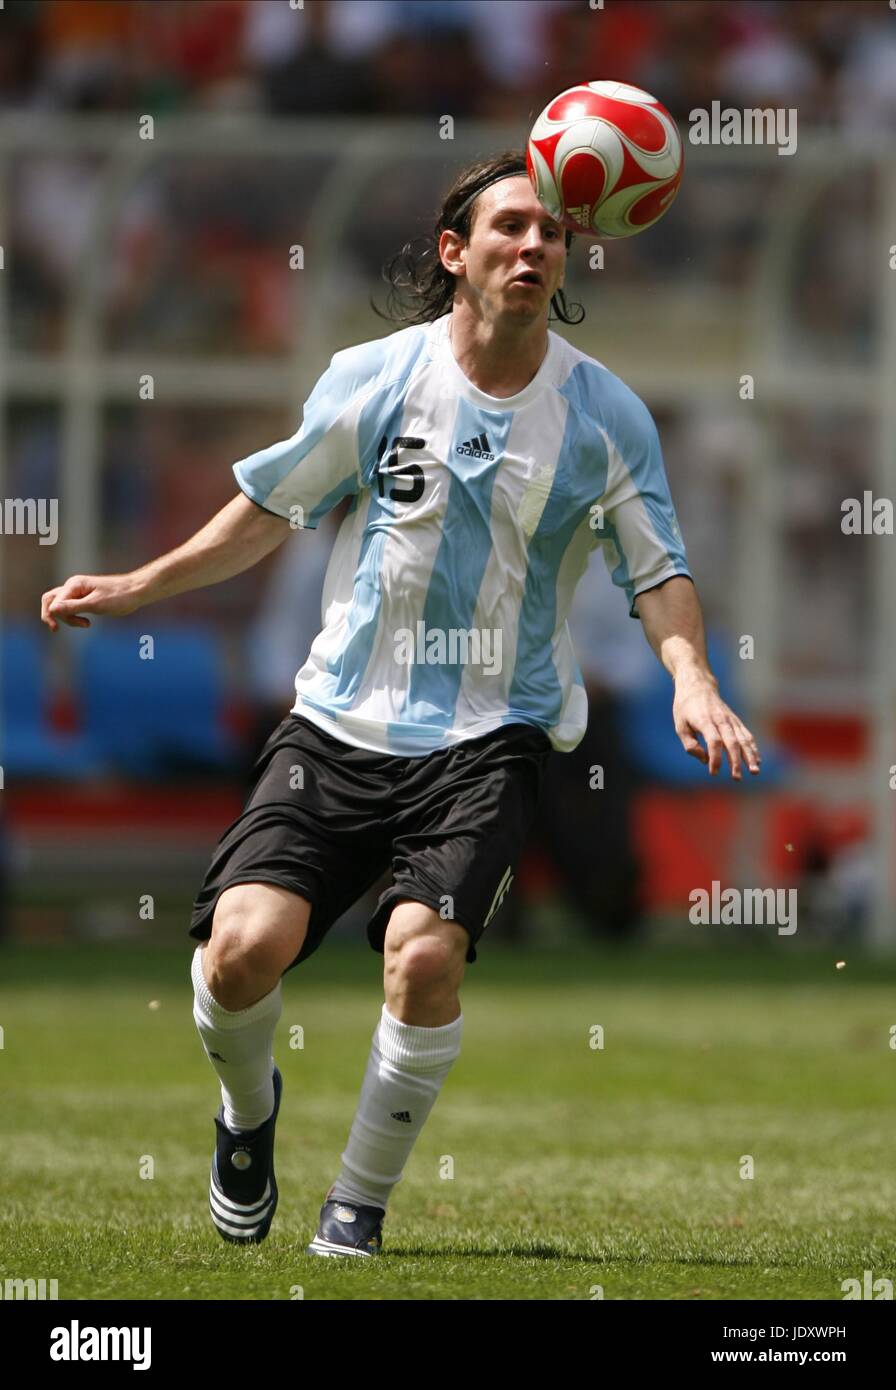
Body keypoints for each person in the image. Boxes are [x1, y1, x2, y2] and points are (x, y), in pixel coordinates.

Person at [40, 149, 761, 1259]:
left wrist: (693, 675)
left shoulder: (605, 413)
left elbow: (657, 571)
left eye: (550, 234)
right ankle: (247, 1114)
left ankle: (355, 1209)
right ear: (453, 251)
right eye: (508, 228)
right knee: (240, 952)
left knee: (423, 957)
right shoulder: (374, 376)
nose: (531, 247)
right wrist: (139, 584)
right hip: (337, 723)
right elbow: (269, 509)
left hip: (490, 734)